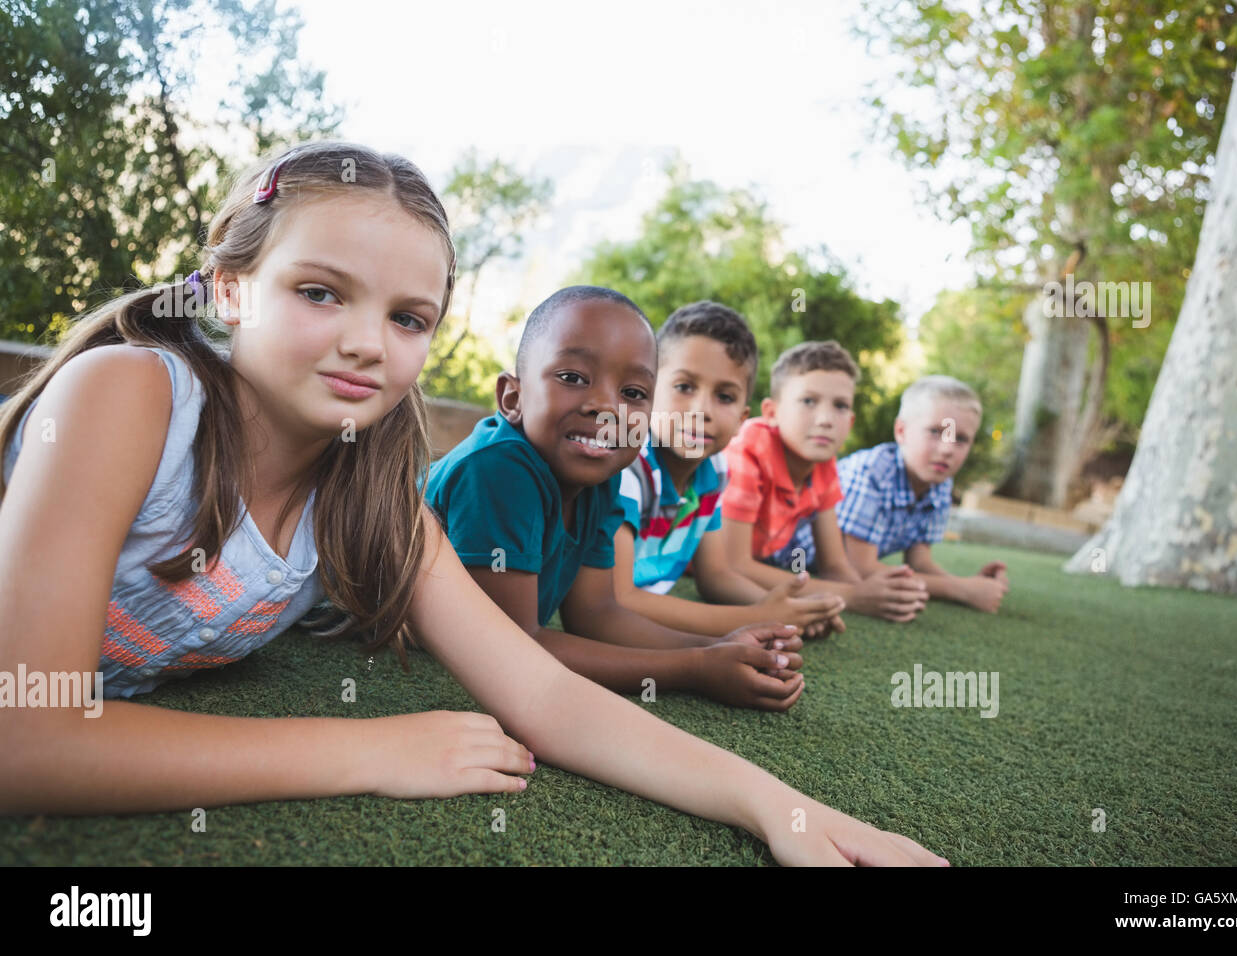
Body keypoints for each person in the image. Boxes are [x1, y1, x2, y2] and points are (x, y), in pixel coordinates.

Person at [0, 141, 944, 865]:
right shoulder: (131, 397)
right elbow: (26, 740)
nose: (369, 343)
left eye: (408, 318)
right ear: (231, 286)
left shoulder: (365, 490)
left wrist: (776, 807)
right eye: (321, 292)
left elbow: (538, 691)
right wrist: (366, 752)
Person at [424, 287, 807, 712]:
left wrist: (717, 647)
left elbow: (598, 613)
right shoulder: (499, 469)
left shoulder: (603, 476)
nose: (607, 408)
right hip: (343, 618)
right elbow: (512, 647)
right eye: (573, 378)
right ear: (512, 398)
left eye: (633, 393)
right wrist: (695, 668)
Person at [611, 301, 845, 638]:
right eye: (684, 386)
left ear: (741, 419)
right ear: (647, 391)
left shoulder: (715, 470)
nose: (701, 410)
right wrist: (760, 619)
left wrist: (785, 609)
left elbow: (715, 575)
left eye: (724, 396)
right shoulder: (627, 465)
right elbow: (619, 600)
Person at [720, 341, 932, 624]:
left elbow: (834, 565)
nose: (826, 420)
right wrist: (853, 596)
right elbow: (734, 565)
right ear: (771, 413)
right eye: (808, 401)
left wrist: (879, 593)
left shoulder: (824, 463)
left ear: (851, 421)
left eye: (840, 406)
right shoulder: (748, 449)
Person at [787, 375, 1009, 613]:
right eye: (935, 432)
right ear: (901, 431)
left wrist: (971, 584)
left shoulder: (940, 484)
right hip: (791, 563)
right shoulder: (873, 471)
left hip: (827, 575)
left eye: (960, 438)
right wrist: (960, 589)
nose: (947, 449)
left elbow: (919, 561)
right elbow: (861, 568)